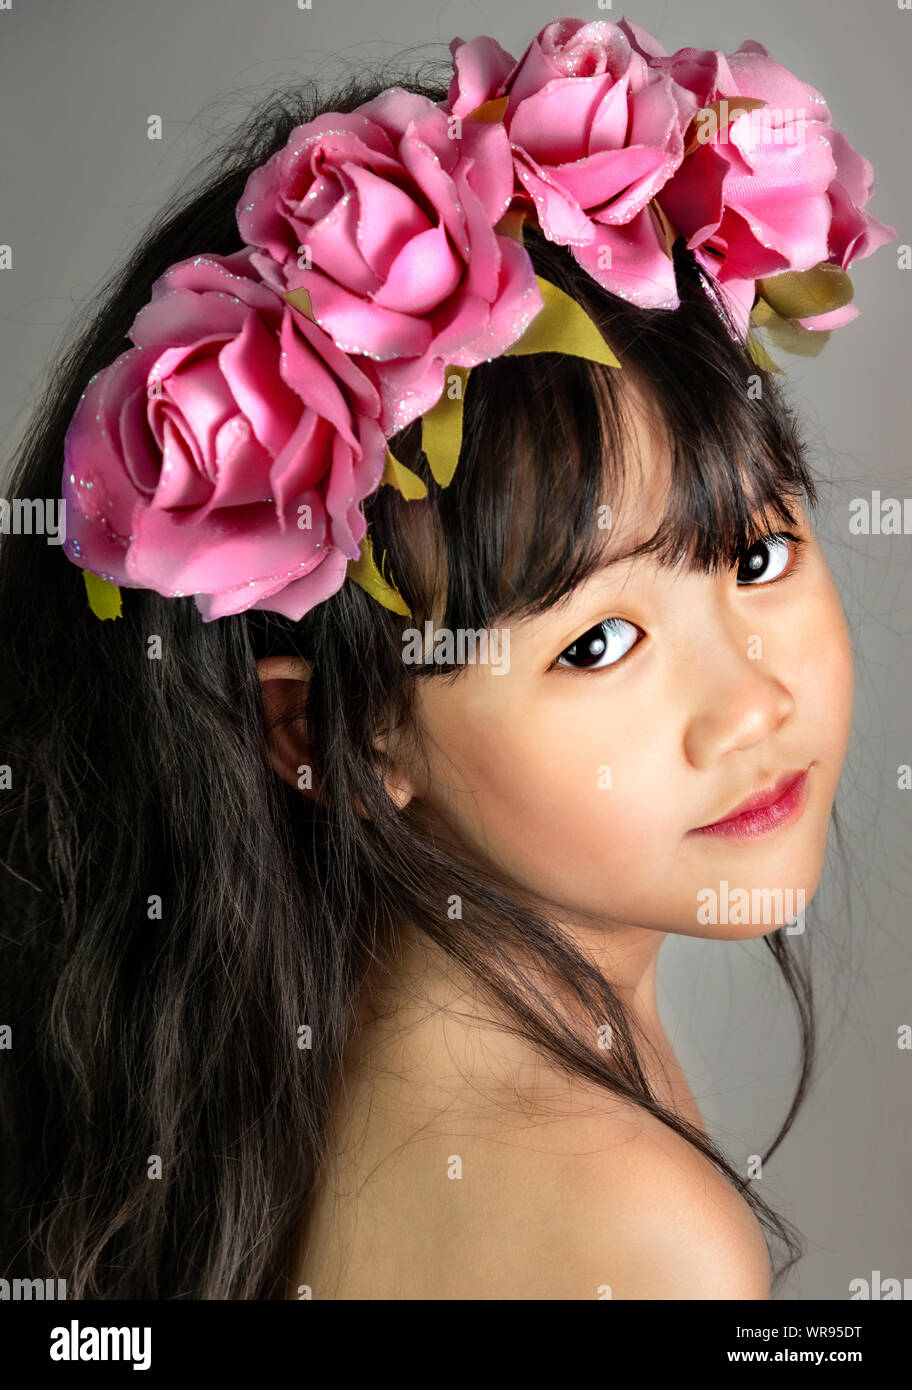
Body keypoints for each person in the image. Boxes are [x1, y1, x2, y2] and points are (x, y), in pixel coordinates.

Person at [0, 17, 894, 1300]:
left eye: (754, 558)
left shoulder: (302, 1061)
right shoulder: (636, 1237)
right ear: (328, 733)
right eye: (597, 643)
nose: (751, 703)